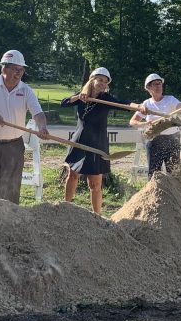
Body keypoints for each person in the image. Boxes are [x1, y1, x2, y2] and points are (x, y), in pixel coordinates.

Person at [0, 50, 50, 204]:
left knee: (11, 190)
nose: (19, 73)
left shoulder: (26, 90)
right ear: (4, 68)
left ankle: (9, 217)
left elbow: (38, 113)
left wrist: (42, 127)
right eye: (15, 69)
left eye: (21, 70)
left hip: (14, 145)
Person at [61, 67, 144, 214]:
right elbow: (64, 103)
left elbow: (124, 103)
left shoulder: (106, 99)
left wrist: (138, 107)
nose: (103, 84)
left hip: (97, 143)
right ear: (92, 80)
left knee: (95, 183)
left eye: (105, 82)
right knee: (72, 175)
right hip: (79, 140)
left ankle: (97, 216)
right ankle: (65, 208)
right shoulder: (82, 96)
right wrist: (78, 97)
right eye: (100, 80)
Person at [129, 73, 181, 176]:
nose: (158, 86)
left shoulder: (170, 99)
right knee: (154, 174)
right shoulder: (146, 104)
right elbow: (132, 122)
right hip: (154, 141)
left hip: (172, 140)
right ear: (148, 88)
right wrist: (144, 124)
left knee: (174, 173)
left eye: (159, 83)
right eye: (155, 84)